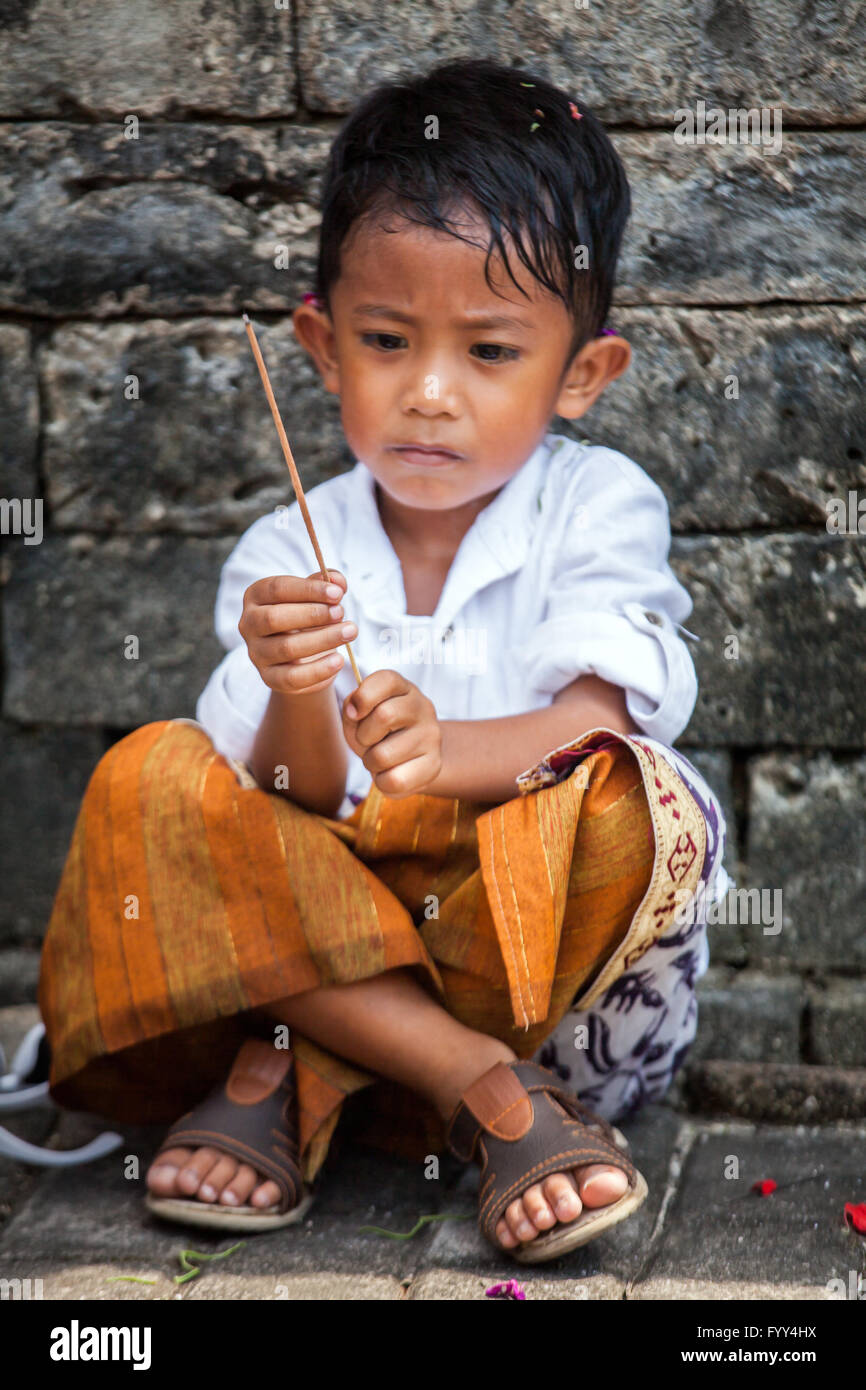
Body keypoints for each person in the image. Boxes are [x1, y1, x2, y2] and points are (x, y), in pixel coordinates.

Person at [37, 58, 728, 1264]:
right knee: (154, 774)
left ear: (582, 374)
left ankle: (299, 1067)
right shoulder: (282, 551)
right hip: (474, 1053)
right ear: (318, 344)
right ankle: (472, 1090)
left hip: (528, 986)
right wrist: (301, 689)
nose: (427, 395)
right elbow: (290, 807)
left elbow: (594, 723)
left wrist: (445, 753)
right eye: (385, 338)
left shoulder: (597, 505)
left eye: (490, 353)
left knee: (643, 800)